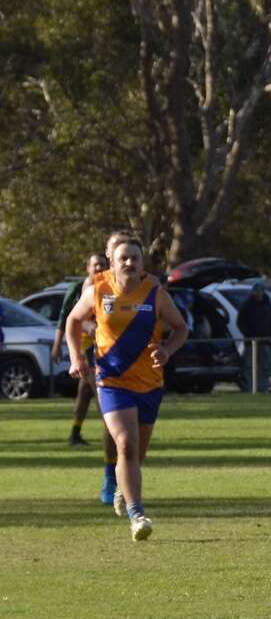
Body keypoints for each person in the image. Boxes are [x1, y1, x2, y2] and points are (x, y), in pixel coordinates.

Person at [63, 232, 189, 542]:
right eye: (124, 258)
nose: (129, 263)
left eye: (135, 258)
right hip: (112, 380)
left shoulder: (155, 294)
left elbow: (180, 327)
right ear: (113, 262)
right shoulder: (98, 290)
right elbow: (73, 321)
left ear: (142, 262)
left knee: (136, 454)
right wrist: (76, 357)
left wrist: (167, 350)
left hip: (149, 382)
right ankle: (137, 515)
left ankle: (123, 488)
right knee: (125, 443)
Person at [53, 252, 110, 460]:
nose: (99, 268)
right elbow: (67, 318)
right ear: (88, 268)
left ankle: (75, 433)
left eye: (102, 264)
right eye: (95, 265)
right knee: (101, 390)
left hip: (103, 345)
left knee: (85, 392)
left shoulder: (111, 286)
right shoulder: (79, 289)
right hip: (87, 346)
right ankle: (112, 432)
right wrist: (57, 345)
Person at [237, 282, 271, 393]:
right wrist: (248, 335)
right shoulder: (246, 305)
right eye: (256, 292)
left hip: (265, 341)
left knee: (265, 366)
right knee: (249, 366)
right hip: (250, 342)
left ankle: (263, 389)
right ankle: (249, 389)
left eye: (260, 292)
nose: (258, 294)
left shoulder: (268, 304)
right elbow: (240, 322)